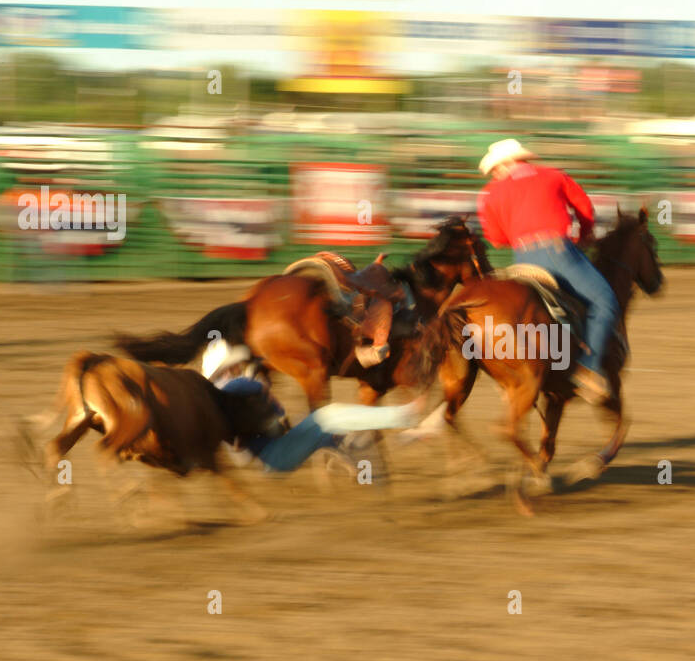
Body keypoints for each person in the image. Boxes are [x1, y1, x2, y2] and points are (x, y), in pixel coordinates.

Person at [476, 138, 619, 404]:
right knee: (604, 301)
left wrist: (520, 232)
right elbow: (585, 208)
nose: (495, 174)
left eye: (496, 168)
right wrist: (585, 234)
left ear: (509, 163)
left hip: (521, 257)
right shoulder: (554, 176)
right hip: (557, 252)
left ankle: (508, 371)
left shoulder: (490, 193)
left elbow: (495, 238)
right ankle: (588, 368)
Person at [200, 338, 430, 475]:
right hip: (276, 454)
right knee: (329, 415)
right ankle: (404, 415)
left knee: (324, 426)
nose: (238, 367)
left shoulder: (224, 393)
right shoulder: (231, 386)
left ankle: (359, 461)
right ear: (228, 368)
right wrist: (258, 373)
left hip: (271, 454)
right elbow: (255, 390)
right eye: (235, 365)